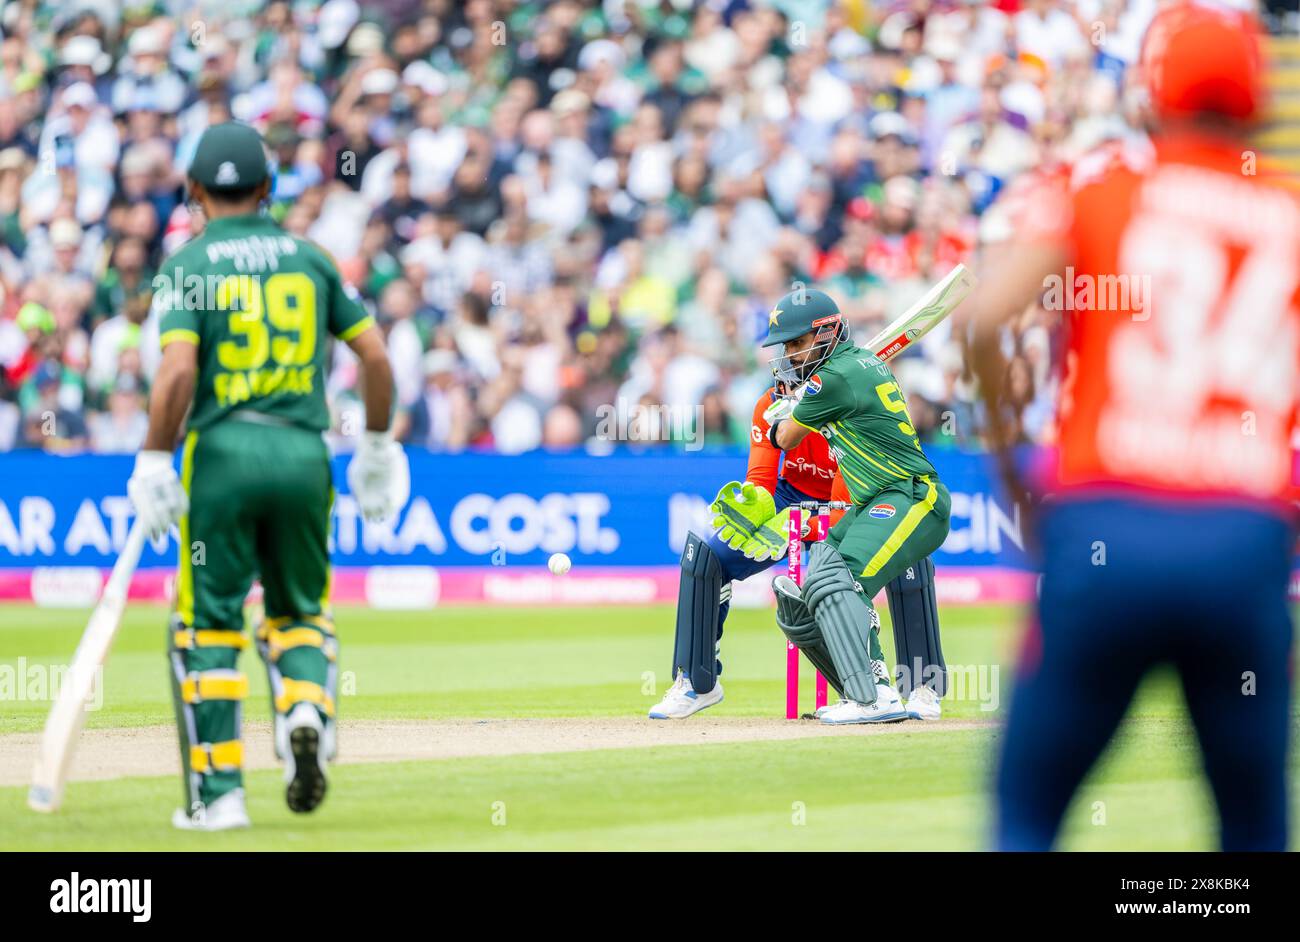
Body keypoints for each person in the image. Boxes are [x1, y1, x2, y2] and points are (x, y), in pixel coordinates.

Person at [967, 5, 1295, 850]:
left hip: (1105, 520)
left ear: (1154, 98)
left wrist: (1016, 471)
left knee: (1028, 812)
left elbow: (983, 318)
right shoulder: (1289, 216)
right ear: (1258, 102)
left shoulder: (1100, 185)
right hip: (1244, 538)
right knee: (1252, 826)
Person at [126, 122, 409, 832]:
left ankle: (219, 796)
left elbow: (180, 370)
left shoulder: (189, 265)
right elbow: (375, 359)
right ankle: (304, 707)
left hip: (222, 452)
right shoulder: (310, 259)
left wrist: (156, 456)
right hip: (304, 454)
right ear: (268, 188)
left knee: (209, 624)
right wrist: (375, 447)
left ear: (193, 191)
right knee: (300, 611)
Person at [764, 289, 952, 724]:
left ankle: (872, 699)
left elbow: (786, 440)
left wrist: (781, 416)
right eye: (786, 346)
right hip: (875, 501)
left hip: (911, 496)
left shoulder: (832, 378)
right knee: (809, 588)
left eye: (796, 344)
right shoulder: (854, 367)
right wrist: (798, 402)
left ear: (827, 332)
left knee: (839, 579)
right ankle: (870, 684)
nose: (790, 355)